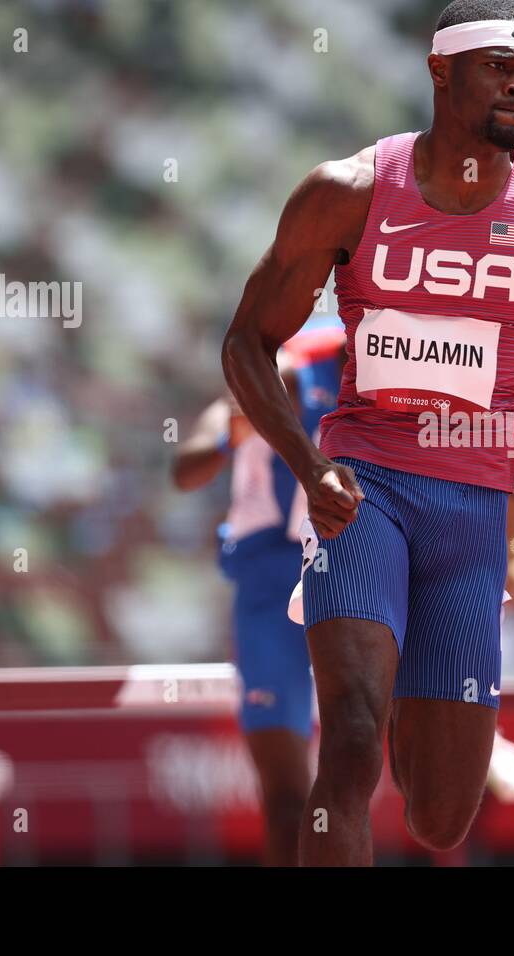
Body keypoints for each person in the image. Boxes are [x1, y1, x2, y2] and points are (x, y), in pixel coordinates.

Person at [221, 0, 514, 865]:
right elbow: (247, 341)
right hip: (366, 492)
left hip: (473, 513)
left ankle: (405, 682)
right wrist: (309, 463)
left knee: (439, 815)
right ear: (440, 72)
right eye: (499, 69)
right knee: (350, 740)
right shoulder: (349, 192)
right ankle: (371, 678)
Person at [172, 326, 344, 865]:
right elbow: (186, 468)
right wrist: (239, 426)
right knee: (290, 799)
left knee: (350, 786)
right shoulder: (288, 372)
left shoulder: (408, 378)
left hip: (351, 570)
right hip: (272, 583)